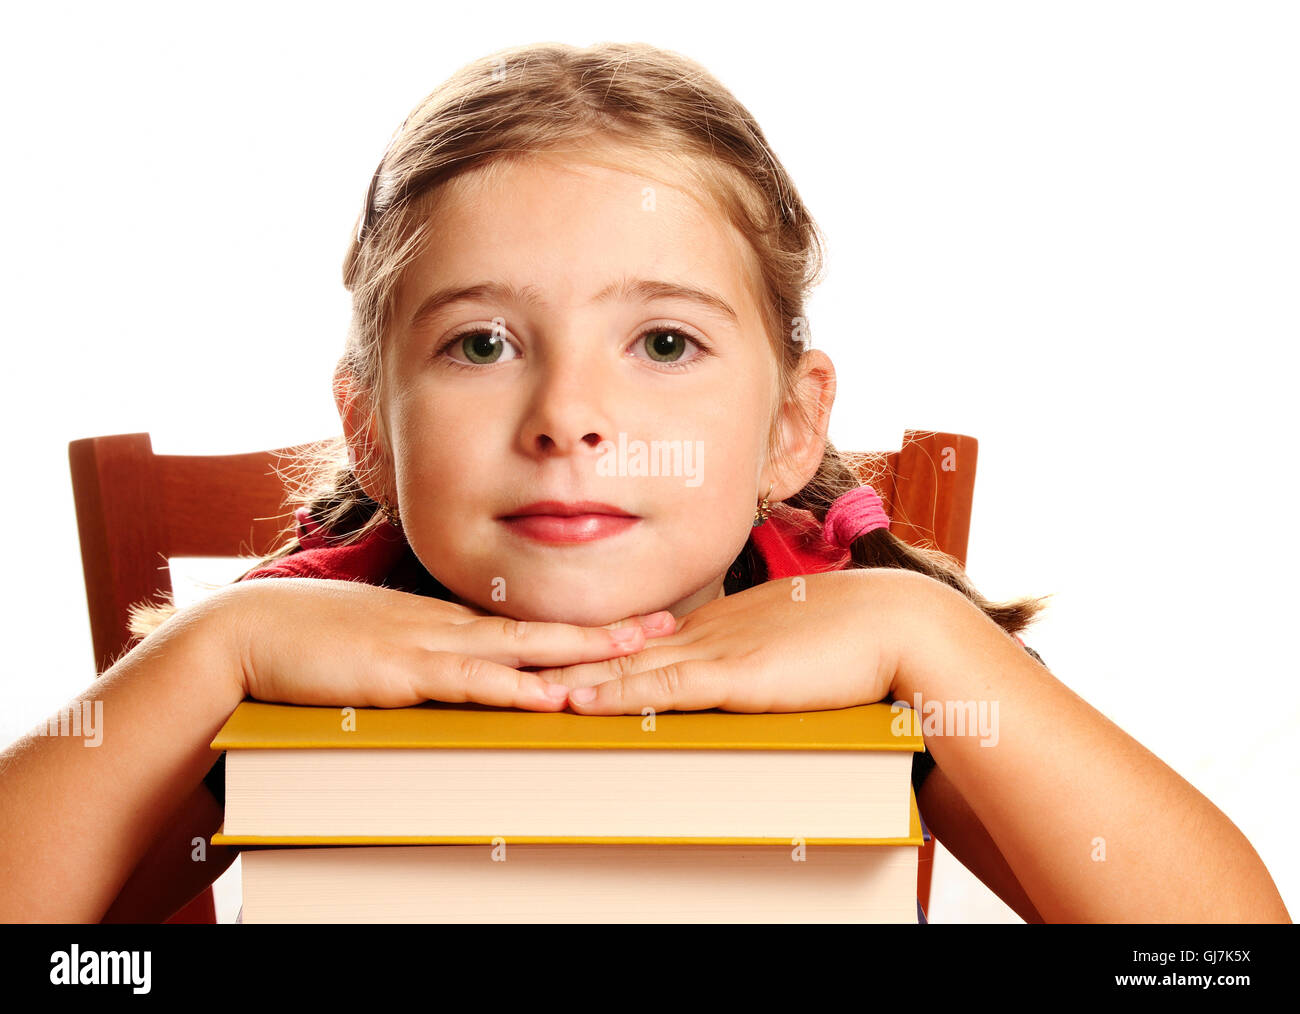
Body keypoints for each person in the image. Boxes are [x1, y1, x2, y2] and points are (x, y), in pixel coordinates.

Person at [1, 41, 1288, 925]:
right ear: (372, 430)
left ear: (791, 428)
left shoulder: (845, 624)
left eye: (663, 344)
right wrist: (217, 645)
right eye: (480, 344)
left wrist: (928, 634)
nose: (569, 418)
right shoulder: (305, 641)